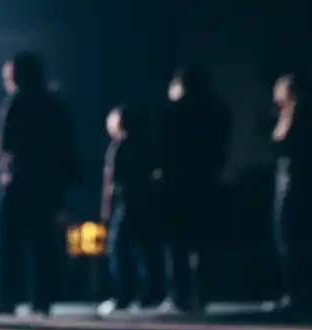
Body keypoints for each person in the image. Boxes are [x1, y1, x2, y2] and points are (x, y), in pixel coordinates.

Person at [0, 51, 79, 316]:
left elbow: (6, 144)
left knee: (11, 243)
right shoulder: (55, 104)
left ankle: (9, 297)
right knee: (44, 245)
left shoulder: (16, 103)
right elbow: (68, 145)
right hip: (49, 184)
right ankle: (42, 300)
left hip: (20, 181)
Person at [155, 66, 231, 313]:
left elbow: (163, 150)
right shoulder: (218, 112)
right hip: (206, 183)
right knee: (202, 244)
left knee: (177, 244)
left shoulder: (173, 114)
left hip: (177, 185)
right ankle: (203, 293)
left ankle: (180, 295)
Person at [271, 73, 312, 311]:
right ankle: (306, 291)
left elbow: (280, 141)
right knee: (305, 240)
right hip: (308, 184)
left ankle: (296, 292)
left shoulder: (296, 115)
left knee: (290, 239)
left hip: (293, 183)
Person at [98, 106, 156, 315]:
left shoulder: (121, 146)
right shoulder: (146, 144)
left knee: (117, 248)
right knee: (145, 250)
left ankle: (123, 295)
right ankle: (149, 294)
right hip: (145, 203)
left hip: (127, 203)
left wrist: (107, 209)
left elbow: (112, 182)